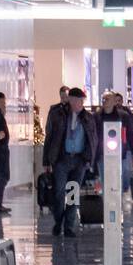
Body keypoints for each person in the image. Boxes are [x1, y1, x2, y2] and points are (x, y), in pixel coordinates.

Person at [43, 87, 98, 237]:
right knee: (59, 192)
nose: (77, 103)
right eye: (74, 100)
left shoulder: (88, 118)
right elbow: (49, 137)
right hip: (62, 159)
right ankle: (58, 221)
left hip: (79, 160)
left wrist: (89, 160)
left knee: (73, 193)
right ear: (70, 100)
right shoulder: (58, 114)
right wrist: (46, 160)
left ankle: (68, 226)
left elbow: (93, 140)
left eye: (80, 101)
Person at [96, 90, 133, 194]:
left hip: (121, 154)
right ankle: (108, 202)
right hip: (102, 154)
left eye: (107, 99)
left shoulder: (124, 116)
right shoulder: (97, 116)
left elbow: (131, 134)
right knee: (106, 183)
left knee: (121, 180)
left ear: (114, 101)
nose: (104, 101)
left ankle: (120, 199)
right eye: (103, 99)